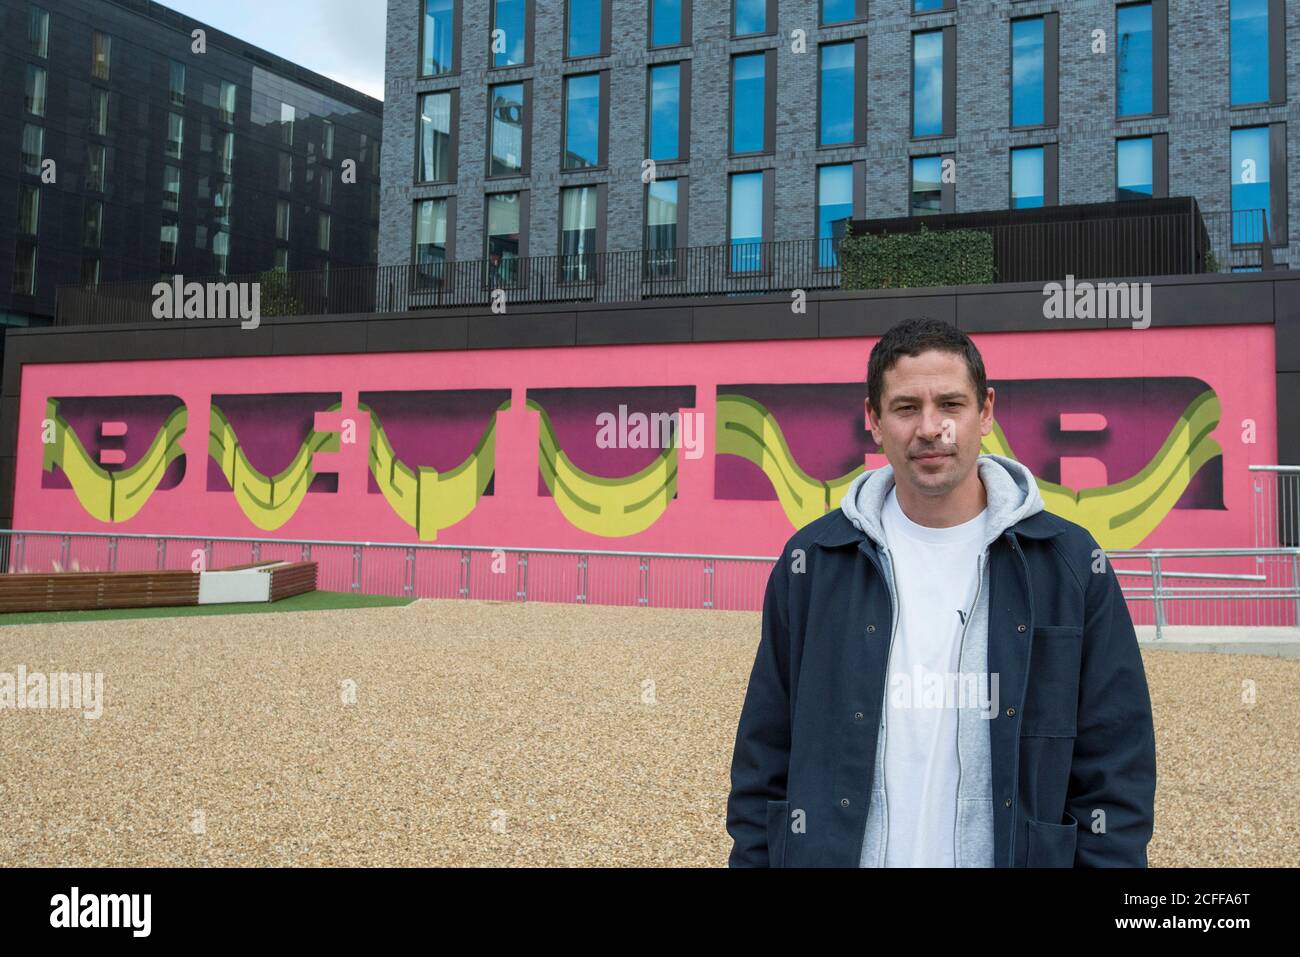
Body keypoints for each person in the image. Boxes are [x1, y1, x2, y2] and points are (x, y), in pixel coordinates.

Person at [726, 317, 1156, 867]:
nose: (930, 428)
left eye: (950, 404)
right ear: (874, 421)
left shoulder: (1068, 563)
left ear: (986, 412)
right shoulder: (812, 564)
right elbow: (765, 754)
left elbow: (1116, 763)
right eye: (906, 408)